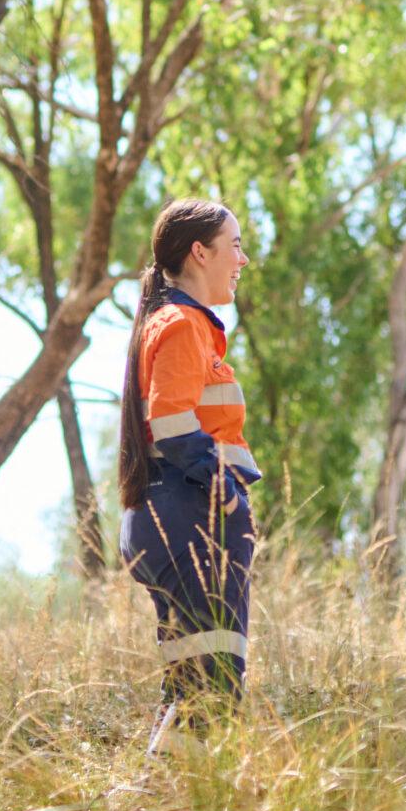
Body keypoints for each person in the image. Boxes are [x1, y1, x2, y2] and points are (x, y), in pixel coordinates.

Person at [117, 198, 258, 717]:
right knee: (213, 685)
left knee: (194, 687)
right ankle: (182, 795)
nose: (242, 260)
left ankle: (166, 795)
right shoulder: (180, 323)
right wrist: (220, 485)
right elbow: (172, 422)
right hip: (190, 517)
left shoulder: (178, 323)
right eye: (236, 246)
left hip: (177, 516)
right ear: (200, 252)